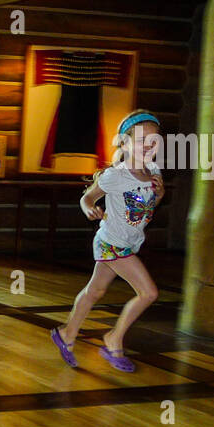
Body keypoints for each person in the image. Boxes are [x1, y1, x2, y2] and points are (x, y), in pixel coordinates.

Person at [50, 110, 166, 373]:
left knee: (95, 291)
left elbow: (148, 207)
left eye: (154, 140)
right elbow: (87, 197)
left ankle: (67, 333)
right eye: (141, 139)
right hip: (113, 244)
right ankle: (114, 339)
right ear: (124, 144)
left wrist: (159, 194)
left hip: (129, 241)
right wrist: (88, 208)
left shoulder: (154, 170)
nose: (149, 145)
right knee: (149, 293)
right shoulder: (116, 175)